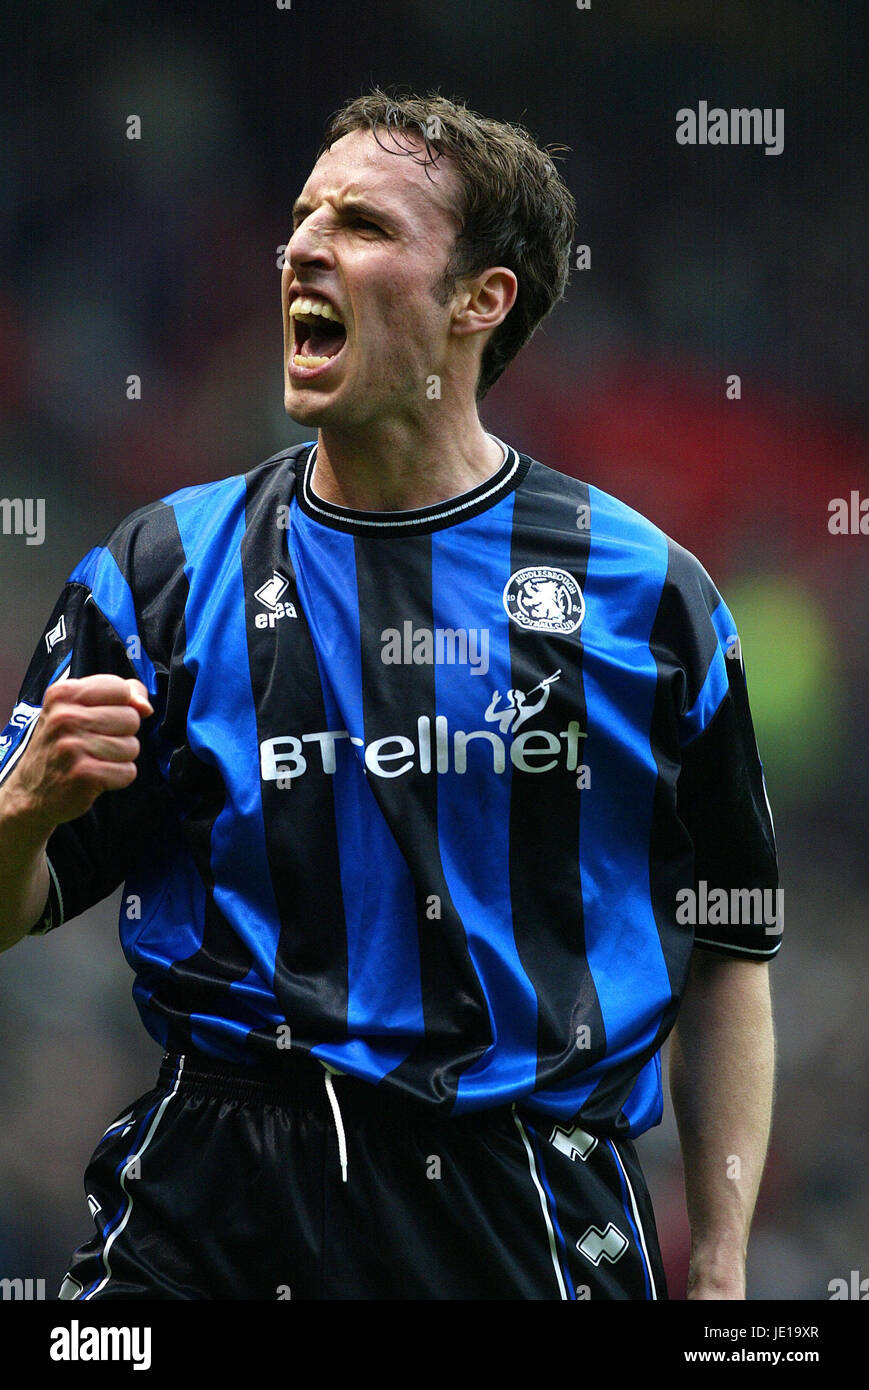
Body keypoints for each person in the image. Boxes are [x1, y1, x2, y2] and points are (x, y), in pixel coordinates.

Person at [0, 88, 779, 1301]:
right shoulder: (160, 569)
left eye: (361, 224)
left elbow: (730, 943)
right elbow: (10, 906)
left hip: (515, 1205)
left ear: (480, 300)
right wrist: (21, 815)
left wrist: (721, 1271)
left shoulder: (644, 593)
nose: (303, 245)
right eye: (301, 217)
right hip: (214, 1198)